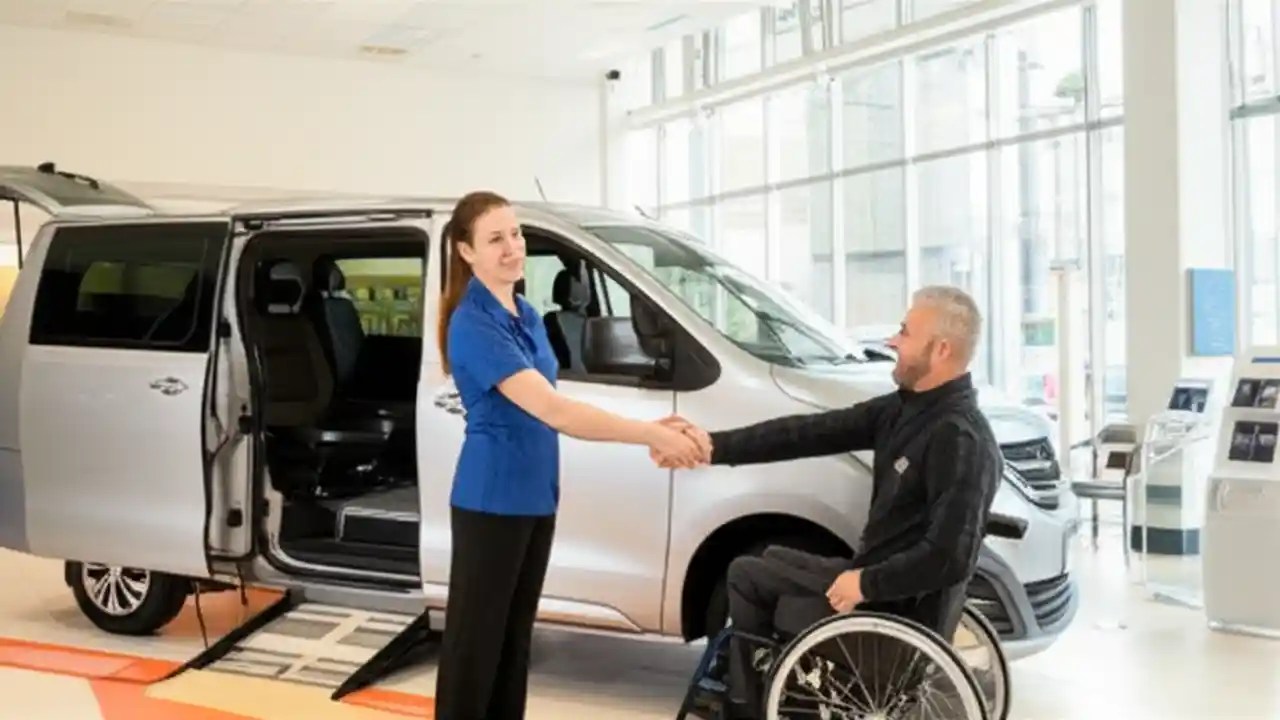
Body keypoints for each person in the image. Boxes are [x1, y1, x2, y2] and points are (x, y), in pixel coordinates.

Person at [658, 285, 1004, 720]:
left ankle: (746, 706)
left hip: (890, 611)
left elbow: (950, 557)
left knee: (750, 579)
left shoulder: (959, 438)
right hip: (877, 586)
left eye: (904, 331)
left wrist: (866, 584)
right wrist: (713, 446)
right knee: (758, 563)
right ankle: (751, 694)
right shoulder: (907, 411)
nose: (892, 341)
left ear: (940, 350)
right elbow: (810, 432)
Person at [433, 191, 708, 720]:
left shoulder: (527, 314)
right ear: (466, 253)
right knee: (475, 651)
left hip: (535, 496)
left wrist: (649, 426)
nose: (513, 247)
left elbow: (558, 403)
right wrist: (648, 433)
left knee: (513, 646)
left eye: (515, 234)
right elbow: (554, 411)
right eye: (496, 239)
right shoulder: (473, 323)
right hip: (491, 501)